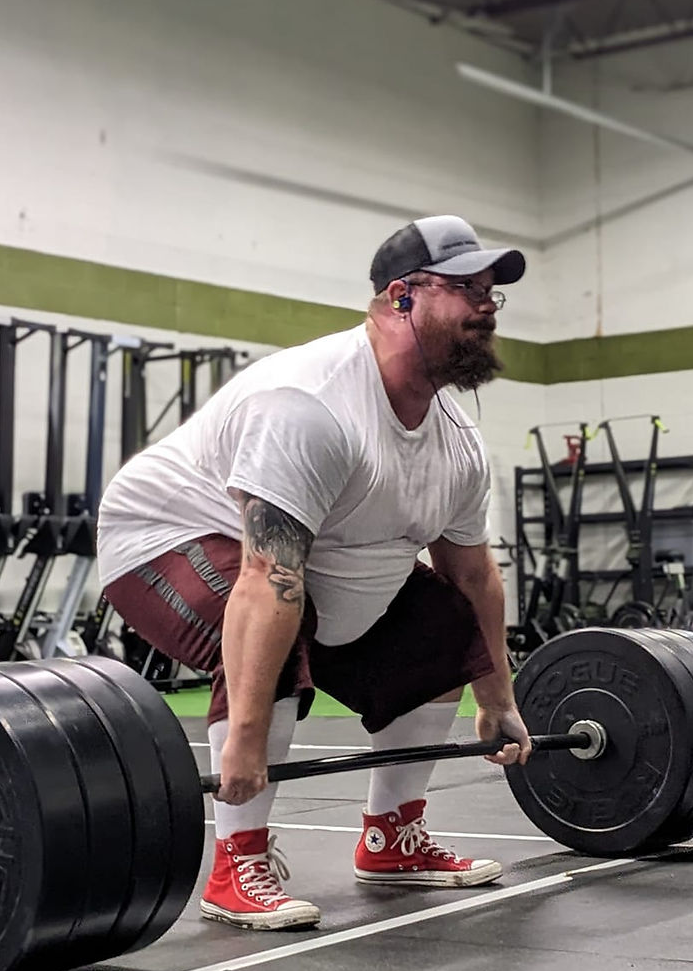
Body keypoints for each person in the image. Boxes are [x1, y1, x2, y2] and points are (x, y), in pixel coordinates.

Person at [97, 214, 532, 932]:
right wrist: (241, 745)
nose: (485, 306)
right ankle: (238, 859)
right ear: (400, 298)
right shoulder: (311, 405)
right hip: (168, 538)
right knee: (280, 625)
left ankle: (392, 837)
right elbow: (267, 576)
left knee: (442, 628)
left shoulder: (457, 443)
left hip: (307, 564)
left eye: (491, 292)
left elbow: (472, 576)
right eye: (465, 289)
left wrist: (498, 698)